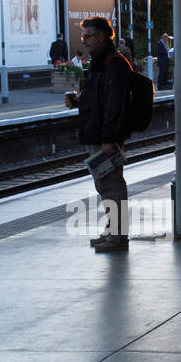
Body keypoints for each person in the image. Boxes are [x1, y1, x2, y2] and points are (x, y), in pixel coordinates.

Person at [63, 17, 132, 252]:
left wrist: (108, 139)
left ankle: (118, 236)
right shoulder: (100, 63)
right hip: (97, 133)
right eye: (83, 36)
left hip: (106, 137)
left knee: (112, 185)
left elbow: (114, 104)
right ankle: (112, 230)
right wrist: (78, 101)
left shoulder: (113, 64)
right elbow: (98, 98)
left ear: (102, 37)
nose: (84, 40)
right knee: (103, 185)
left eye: (88, 36)